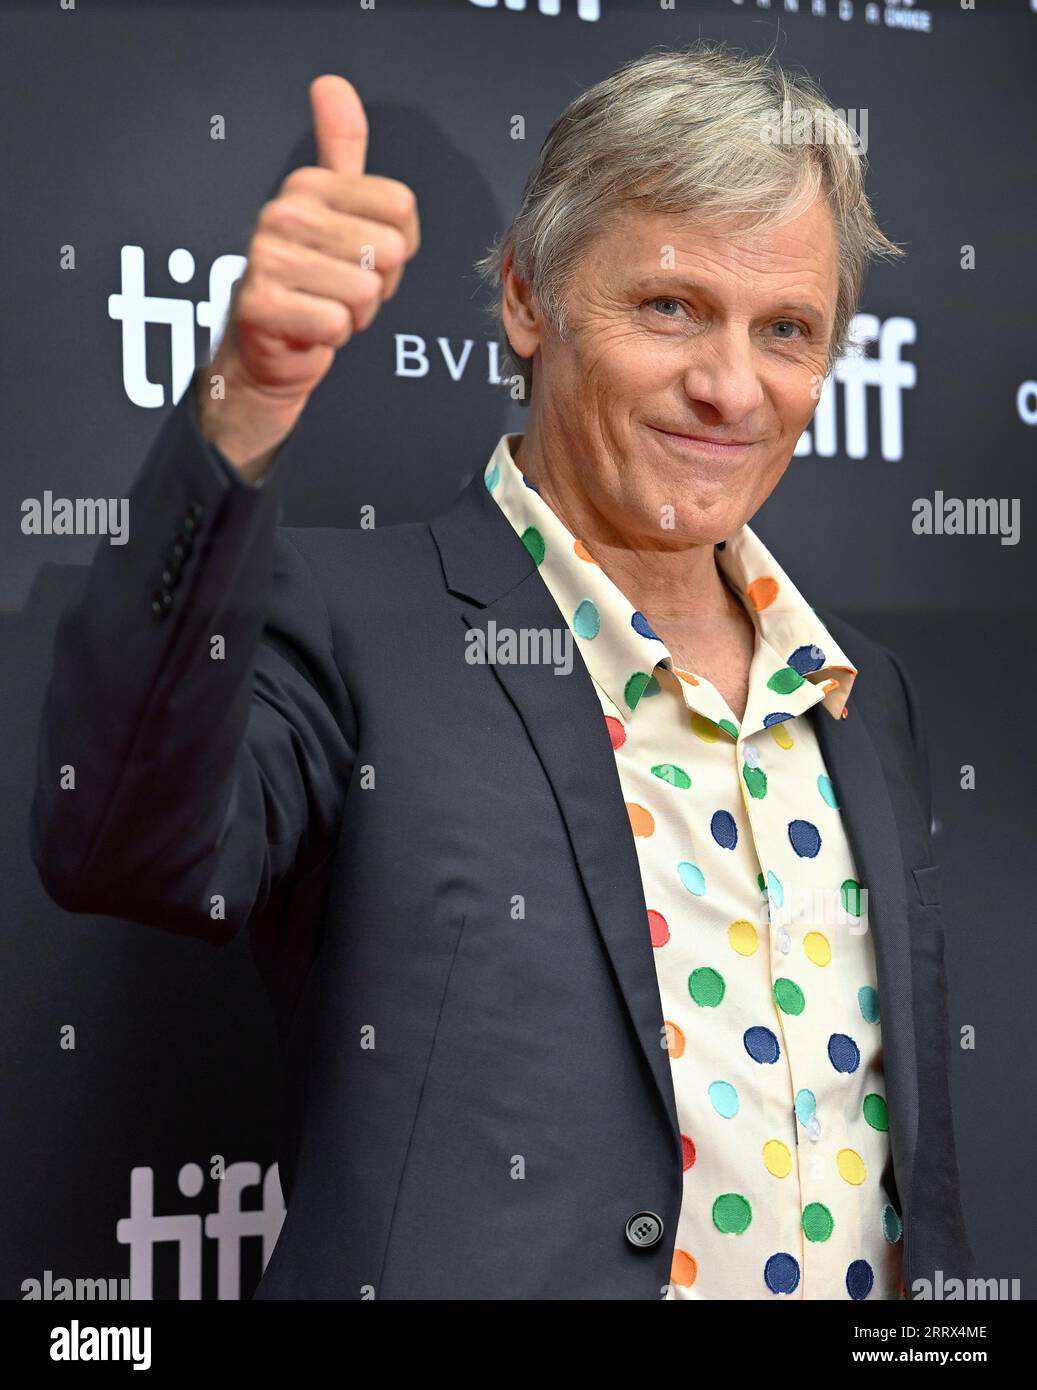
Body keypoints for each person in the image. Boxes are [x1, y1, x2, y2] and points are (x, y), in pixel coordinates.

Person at [30, 46, 976, 1300]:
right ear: (527, 301)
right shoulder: (349, 620)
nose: (729, 387)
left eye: (786, 330)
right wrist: (244, 402)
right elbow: (118, 847)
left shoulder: (859, 693)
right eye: (670, 307)